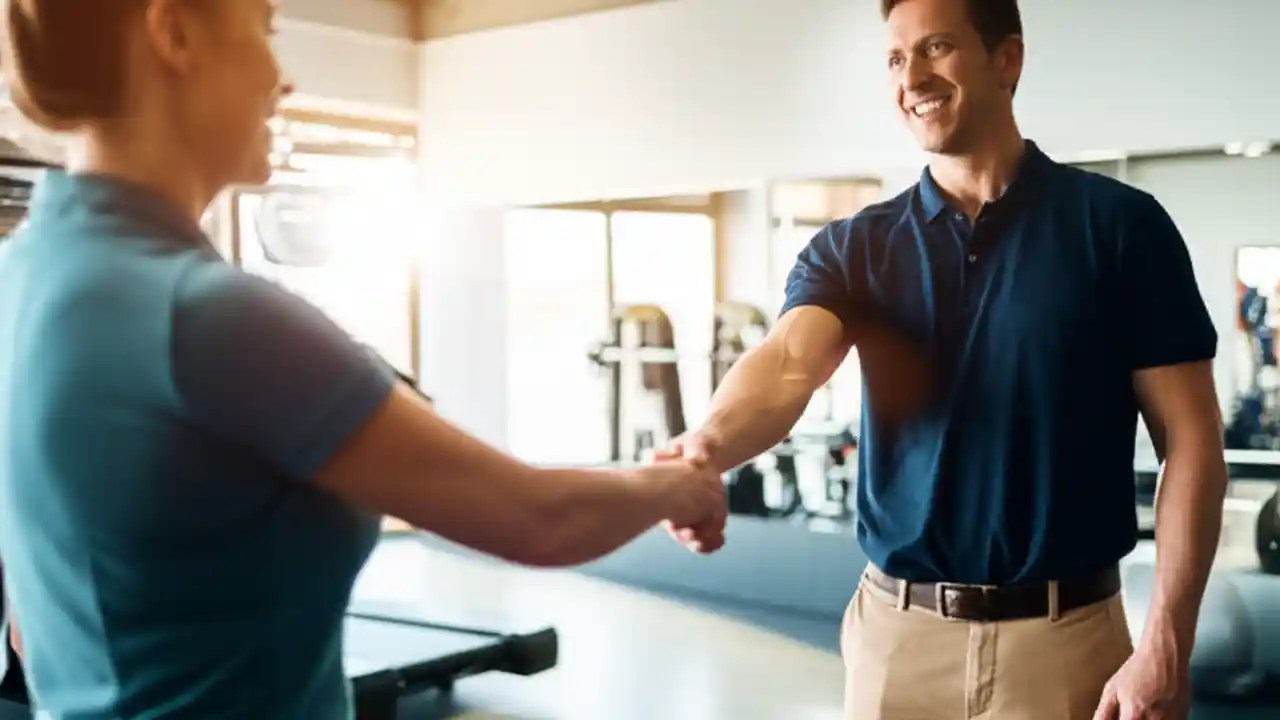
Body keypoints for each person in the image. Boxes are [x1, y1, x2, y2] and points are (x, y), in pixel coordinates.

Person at [0, 1, 726, 718]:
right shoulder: (205, 313)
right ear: (175, 32)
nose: (282, 79)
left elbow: (34, 625)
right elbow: (538, 517)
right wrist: (678, 486)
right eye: (265, 29)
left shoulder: (22, 274)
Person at [660, 0, 1227, 718]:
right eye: (896, 59)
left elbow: (1192, 440)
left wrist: (1167, 641)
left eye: (936, 48)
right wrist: (708, 445)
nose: (913, 76)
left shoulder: (1119, 228)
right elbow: (788, 364)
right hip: (897, 639)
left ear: (1006, 60)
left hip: (1063, 642)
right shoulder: (854, 248)